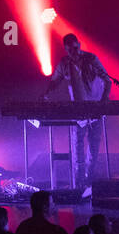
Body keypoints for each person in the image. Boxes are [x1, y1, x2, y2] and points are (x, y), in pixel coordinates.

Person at [42, 32, 113, 191]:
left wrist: (103, 100)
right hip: (77, 109)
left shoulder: (91, 59)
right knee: (77, 144)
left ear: (79, 45)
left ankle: (90, 176)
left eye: (74, 48)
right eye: (69, 50)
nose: (72, 52)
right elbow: (55, 81)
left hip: (95, 107)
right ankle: (79, 180)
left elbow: (107, 80)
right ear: (66, 49)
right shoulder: (64, 63)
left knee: (94, 144)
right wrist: (46, 93)